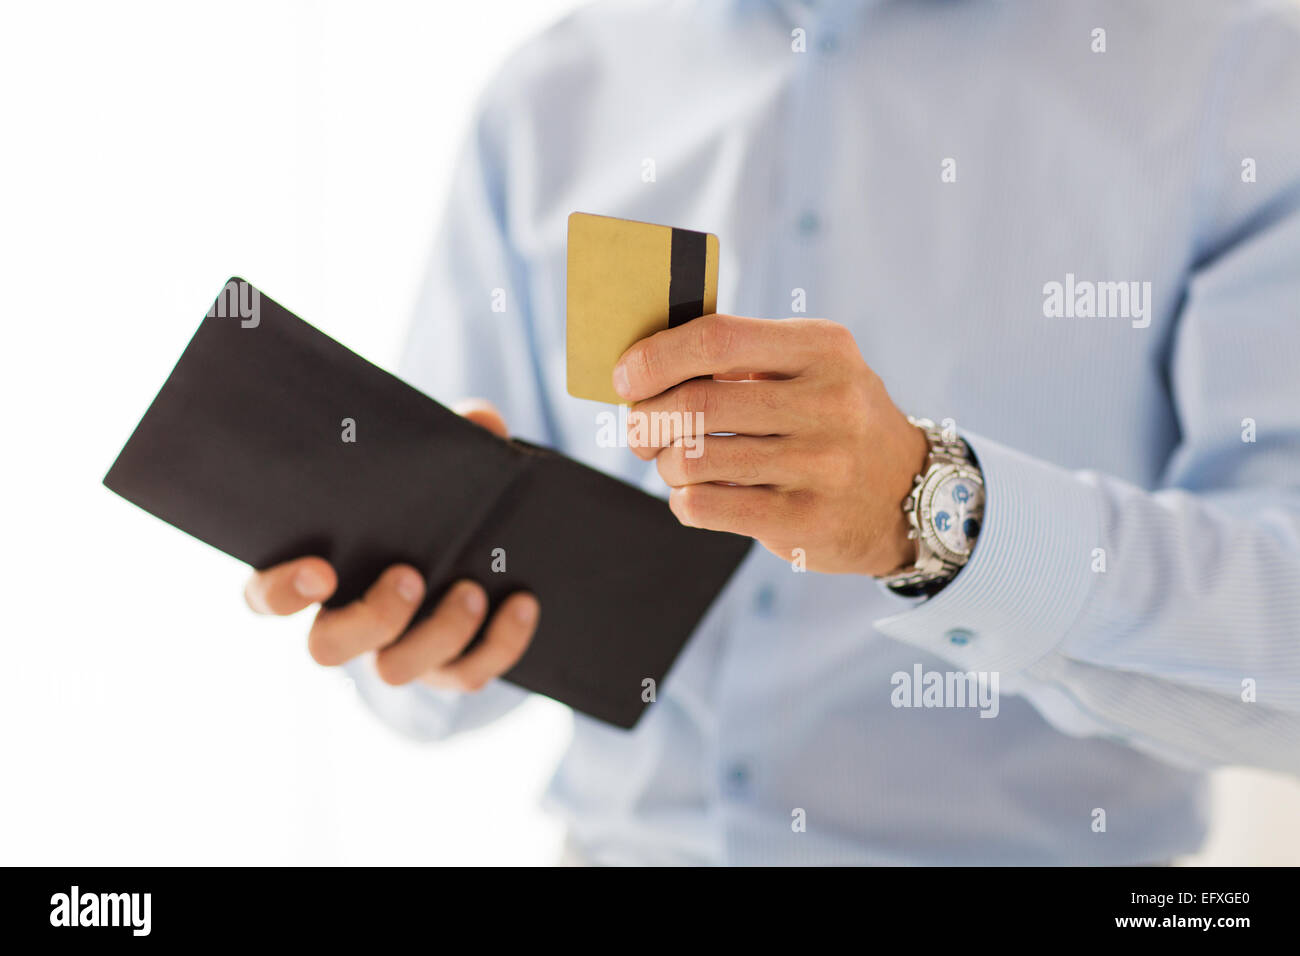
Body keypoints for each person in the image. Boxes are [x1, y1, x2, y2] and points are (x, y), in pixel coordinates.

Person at [242, 0, 1300, 864]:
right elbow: (433, 649)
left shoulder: (1243, 79)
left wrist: (934, 515)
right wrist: (425, 625)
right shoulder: (549, 92)